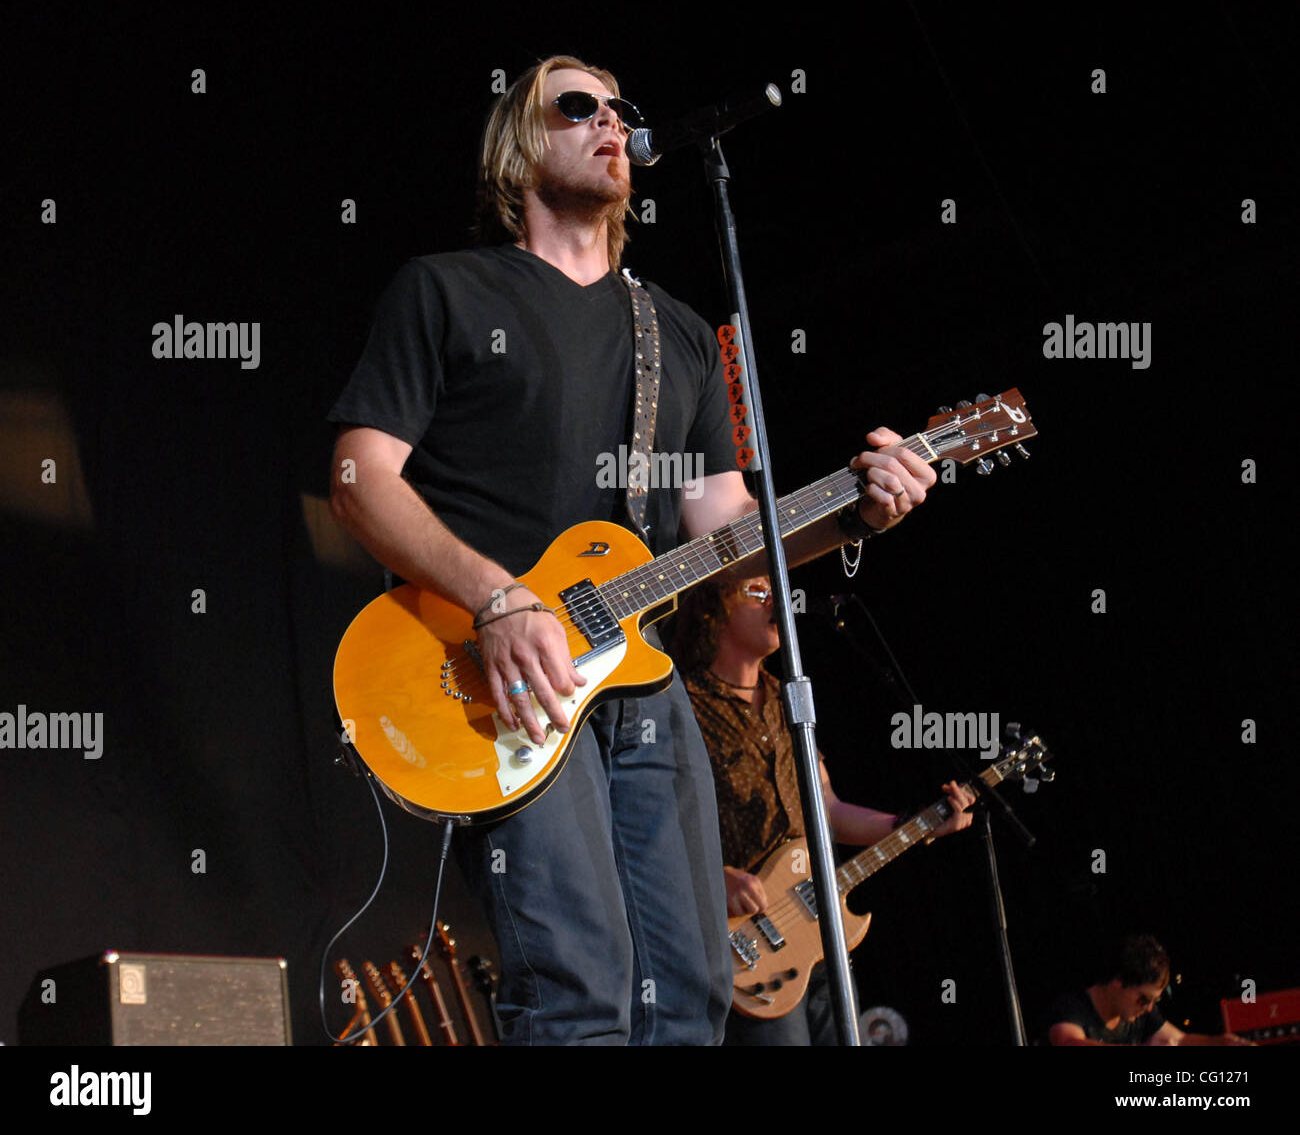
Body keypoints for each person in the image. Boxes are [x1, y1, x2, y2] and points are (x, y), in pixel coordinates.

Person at [327, 54, 937, 1044]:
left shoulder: (679, 335)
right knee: (577, 990)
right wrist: (497, 597)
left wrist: (859, 514)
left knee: (691, 993)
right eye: (578, 105)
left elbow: (729, 538)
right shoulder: (444, 291)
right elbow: (359, 478)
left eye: (623, 107)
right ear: (520, 148)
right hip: (508, 680)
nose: (611, 120)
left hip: (645, 691)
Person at [670, 574, 975, 1045]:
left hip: (816, 930)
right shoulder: (681, 703)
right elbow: (658, 821)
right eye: (757, 591)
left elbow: (828, 810)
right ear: (713, 610)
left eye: (778, 589)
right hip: (742, 937)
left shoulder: (790, 699)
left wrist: (918, 827)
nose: (777, 600)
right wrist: (715, 876)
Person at [1046, 934, 1254, 1046]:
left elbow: (1179, 1040)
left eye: (1154, 1001)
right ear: (1118, 982)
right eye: (1144, 999)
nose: (1148, 1008)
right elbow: (1068, 1043)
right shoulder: (1071, 1008)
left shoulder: (1139, 1013)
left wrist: (1220, 1043)